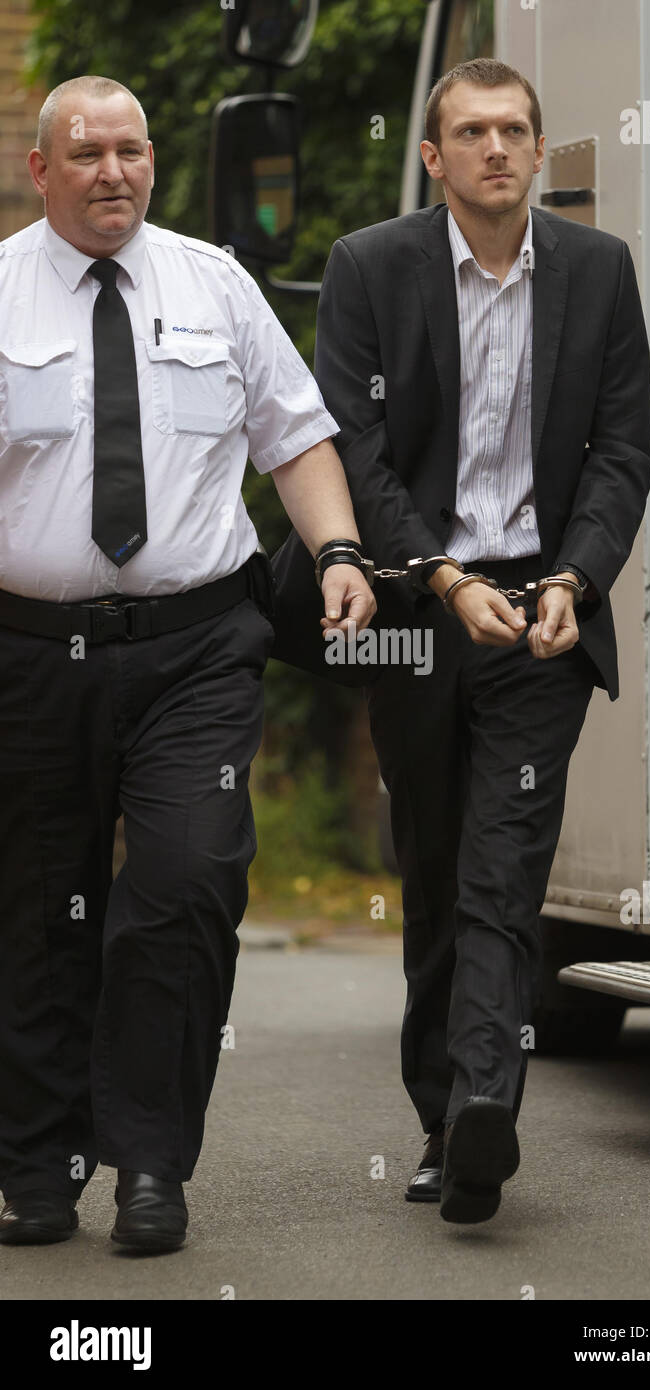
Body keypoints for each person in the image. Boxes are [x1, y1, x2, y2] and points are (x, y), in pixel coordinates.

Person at [274, 58, 650, 1225]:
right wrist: (437, 577)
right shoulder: (370, 267)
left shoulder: (600, 273)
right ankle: (441, 1110)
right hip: (415, 614)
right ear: (433, 157)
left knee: (503, 864)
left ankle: (483, 1106)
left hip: (540, 622)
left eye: (515, 130)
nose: (496, 148)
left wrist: (576, 579)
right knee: (436, 868)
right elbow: (354, 450)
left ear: (540, 153)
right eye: (471, 132)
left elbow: (622, 452)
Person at [0, 75, 375, 1252]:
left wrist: (340, 551)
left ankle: (152, 1163)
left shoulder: (214, 282)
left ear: (153, 160)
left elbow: (296, 432)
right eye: (89, 152)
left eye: (132, 150)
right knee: (35, 910)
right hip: (30, 653)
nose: (115, 171)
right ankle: (41, 1164)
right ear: (42, 169)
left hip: (197, 649)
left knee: (185, 881)